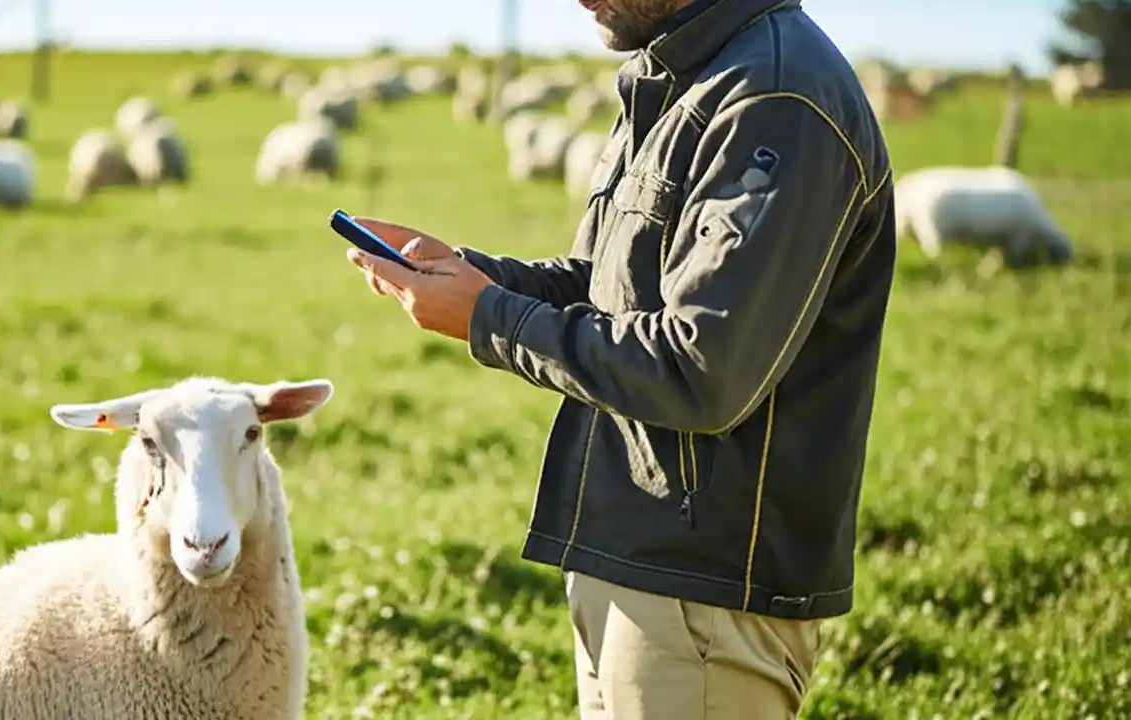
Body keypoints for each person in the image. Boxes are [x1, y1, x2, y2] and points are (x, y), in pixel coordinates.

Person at [346, 0, 895, 717]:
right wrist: (471, 276)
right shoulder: (679, 77)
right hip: (638, 563)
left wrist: (489, 317)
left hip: (704, 588)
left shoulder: (776, 101)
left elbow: (703, 370)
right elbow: (606, 288)